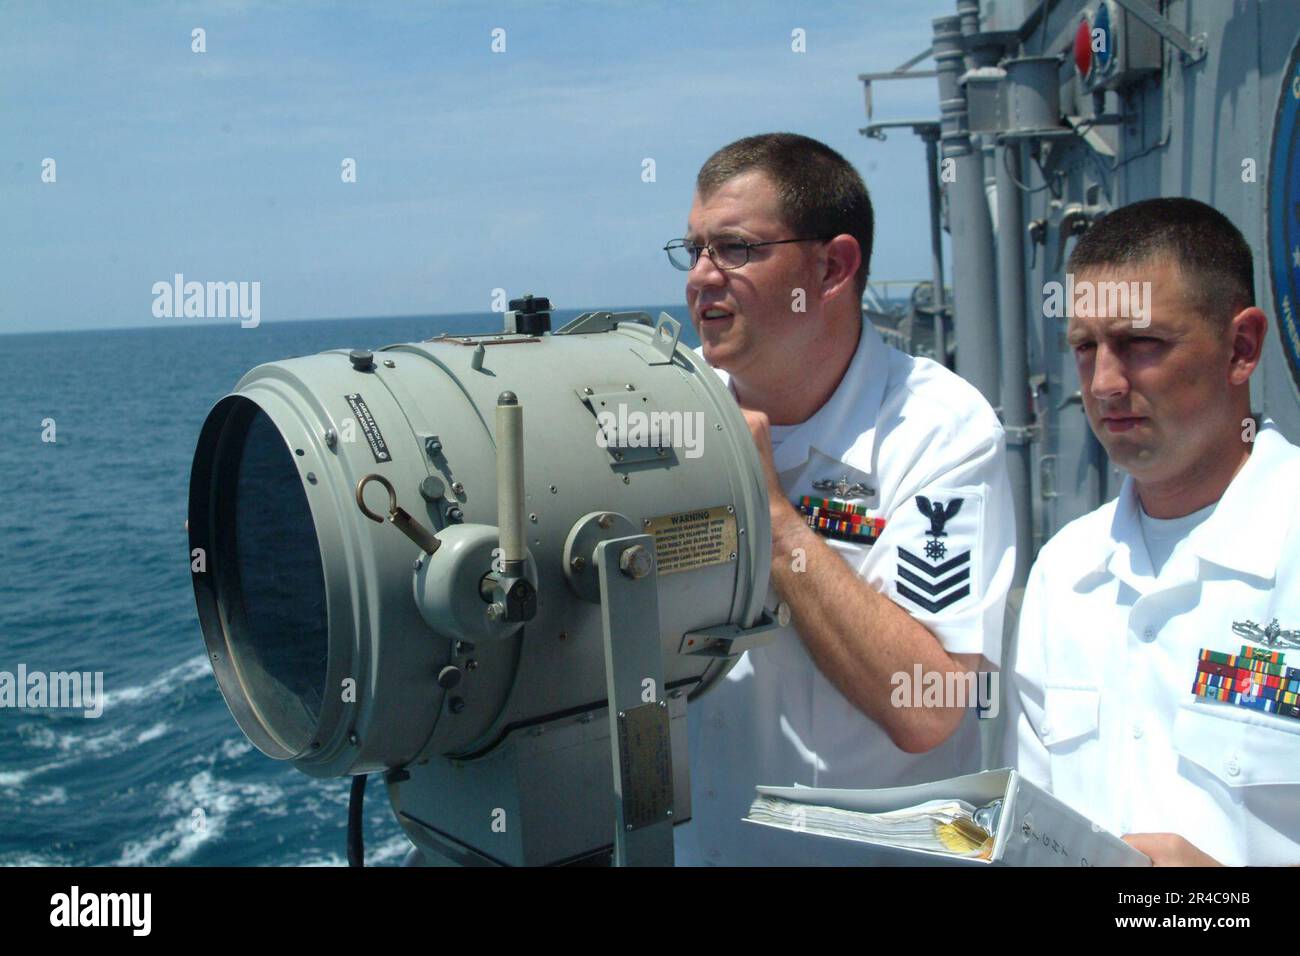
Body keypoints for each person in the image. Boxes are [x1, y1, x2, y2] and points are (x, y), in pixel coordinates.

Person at [666, 132, 1015, 866]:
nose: (701, 277)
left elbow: (930, 708)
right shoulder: (663, 403)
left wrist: (768, 513)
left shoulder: (939, 430)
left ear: (832, 266)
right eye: (692, 248)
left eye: (735, 248)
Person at [1002, 197, 1300, 866]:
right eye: (1085, 348)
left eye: (1141, 344)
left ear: (1241, 348)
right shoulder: (1065, 573)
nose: (1104, 383)